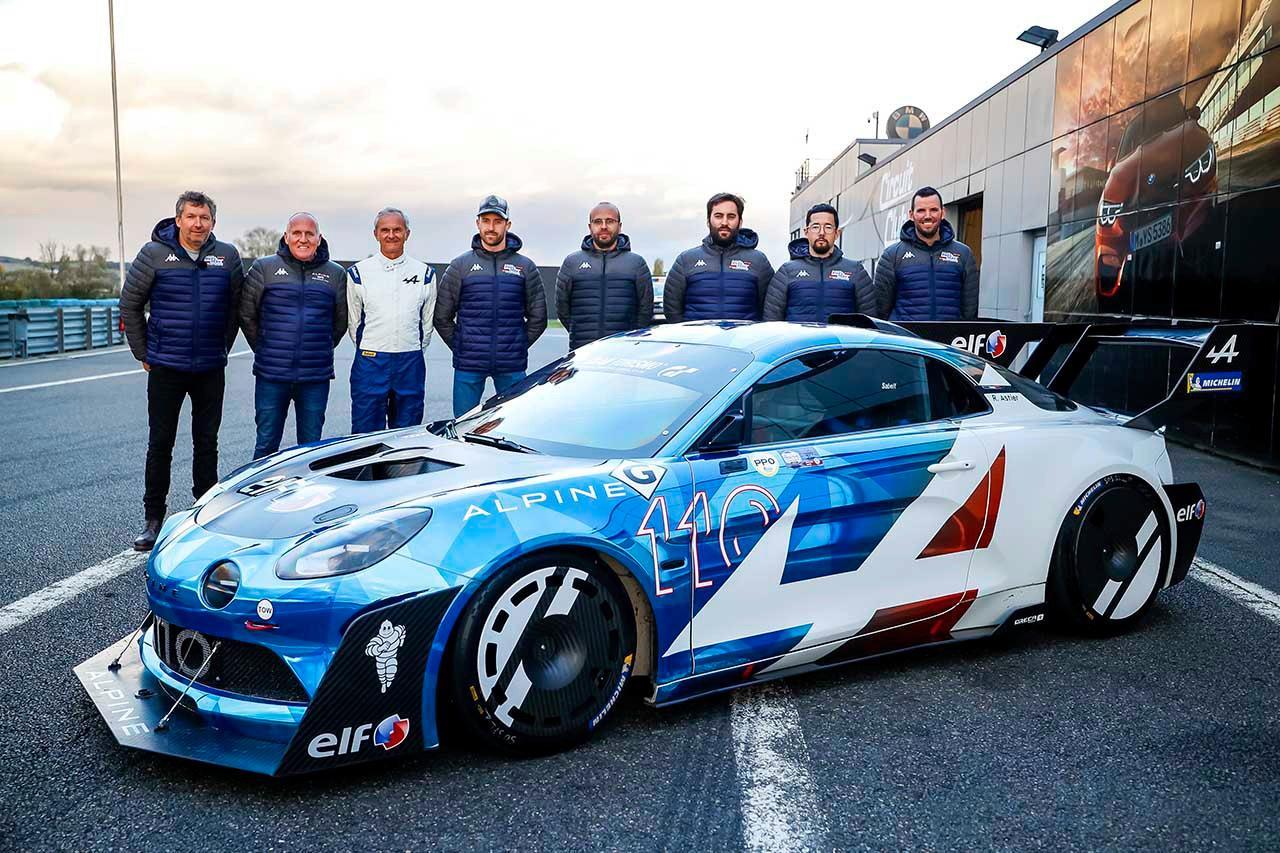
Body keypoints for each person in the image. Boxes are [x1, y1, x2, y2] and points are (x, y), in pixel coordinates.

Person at [119, 190, 243, 551]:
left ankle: (205, 515)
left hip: (209, 367)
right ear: (178, 220)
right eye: (191, 216)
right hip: (166, 366)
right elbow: (130, 305)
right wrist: (144, 352)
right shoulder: (154, 254)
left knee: (207, 444)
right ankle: (153, 520)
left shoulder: (227, 256)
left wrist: (222, 347)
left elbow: (235, 309)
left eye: (204, 218)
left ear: (212, 223)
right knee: (161, 443)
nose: (198, 224)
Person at [240, 212, 347, 459]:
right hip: (272, 374)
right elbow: (247, 315)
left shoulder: (335, 274)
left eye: (309, 234)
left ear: (319, 239)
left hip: (315, 376)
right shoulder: (264, 268)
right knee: (266, 446)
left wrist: (318, 348)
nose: (303, 239)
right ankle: (262, 497)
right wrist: (266, 348)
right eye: (296, 233)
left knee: (310, 450)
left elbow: (339, 322)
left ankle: (305, 498)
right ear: (286, 237)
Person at [434, 195, 547, 416]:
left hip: (511, 365)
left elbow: (538, 318)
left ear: (508, 224)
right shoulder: (461, 266)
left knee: (514, 423)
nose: (491, 227)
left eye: (497, 221)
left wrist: (517, 345)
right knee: (463, 426)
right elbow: (442, 317)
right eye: (486, 221)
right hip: (469, 364)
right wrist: (462, 346)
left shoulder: (525, 266)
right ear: (478, 223)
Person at [346, 207, 438, 433]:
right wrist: (373, 347)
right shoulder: (358, 272)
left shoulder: (425, 273)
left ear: (407, 233)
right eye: (385, 230)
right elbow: (353, 322)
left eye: (397, 230)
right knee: (365, 433)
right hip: (370, 361)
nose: (391, 235)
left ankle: (403, 470)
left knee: (407, 432)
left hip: (410, 362)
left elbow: (427, 323)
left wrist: (412, 348)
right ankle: (367, 470)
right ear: (375, 234)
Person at [662, 192, 774, 323]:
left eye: (731, 216)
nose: (724, 222)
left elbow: (770, 309)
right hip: (697, 340)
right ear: (708, 220)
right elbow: (672, 308)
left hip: (744, 341)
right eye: (718, 216)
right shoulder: (686, 260)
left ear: (740, 221)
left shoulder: (758, 261)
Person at [555, 202, 653, 349]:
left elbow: (645, 310)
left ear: (619, 226)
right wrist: (580, 331)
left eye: (610, 221)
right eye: (597, 221)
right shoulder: (572, 262)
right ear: (590, 227)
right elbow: (562, 307)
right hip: (582, 350)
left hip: (624, 350)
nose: (604, 226)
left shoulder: (636, 263)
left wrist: (631, 337)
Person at [874, 187, 979, 320]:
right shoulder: (892, 255)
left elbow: (970, 311)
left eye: (934, 210)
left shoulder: (963, 254)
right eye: (921, 210)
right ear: (911, 215)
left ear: (943, 213)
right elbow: (880, 311)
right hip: (906, 339)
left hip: (949, 339)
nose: (928, 216)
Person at [764, 203, 875, 322]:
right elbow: (771, 321)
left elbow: (871, 322)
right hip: (801, 341)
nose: (821, 232)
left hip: (841, 341)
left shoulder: (855, 271)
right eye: (815, 227)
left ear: (837, 233)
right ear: (806, 232)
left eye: (828, 227)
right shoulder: (787, 272)